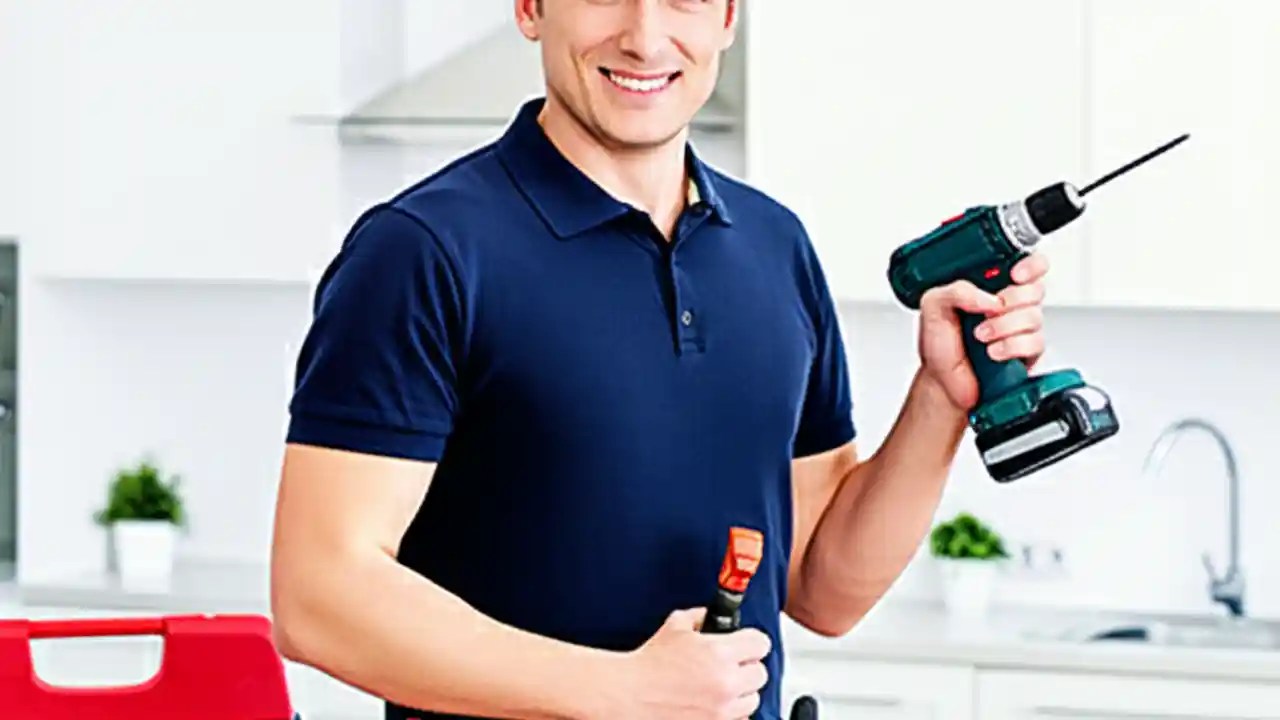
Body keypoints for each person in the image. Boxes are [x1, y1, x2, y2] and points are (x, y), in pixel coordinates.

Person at [268, 1, 1050, 718]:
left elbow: (822, 587)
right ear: (533, 7)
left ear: (729, 18)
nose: (645, 36)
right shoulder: (422, 252)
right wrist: (621, 690)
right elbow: (319, 596)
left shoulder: (775, 247)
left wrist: (939, 400)